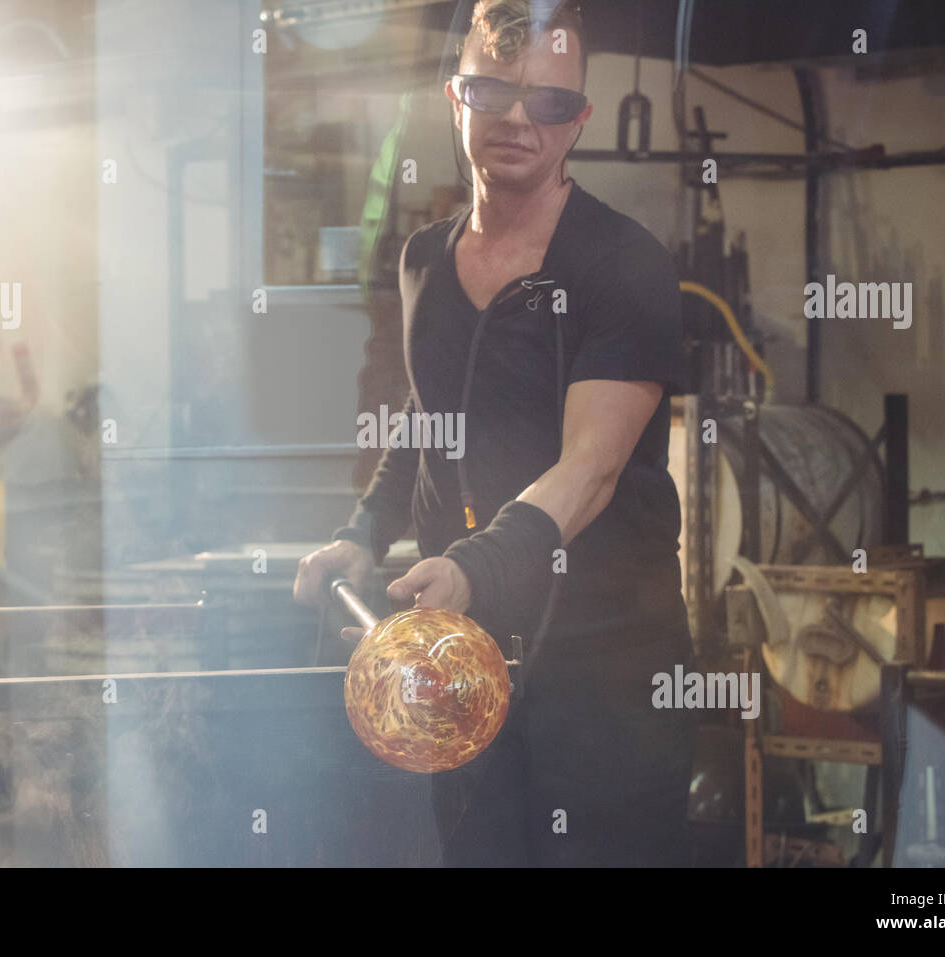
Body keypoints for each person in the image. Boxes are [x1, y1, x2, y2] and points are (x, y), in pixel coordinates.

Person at [294, 0, 695, 867]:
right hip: (469, 673)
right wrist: (362, 530)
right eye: (494, 91)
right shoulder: (423, 261)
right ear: (456, 97)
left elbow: (590, 467)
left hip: (610, 677)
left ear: (579, 120)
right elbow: (428, 418)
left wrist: (476, 566)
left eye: (549, 103)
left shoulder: (622, 263)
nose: (518, 118)